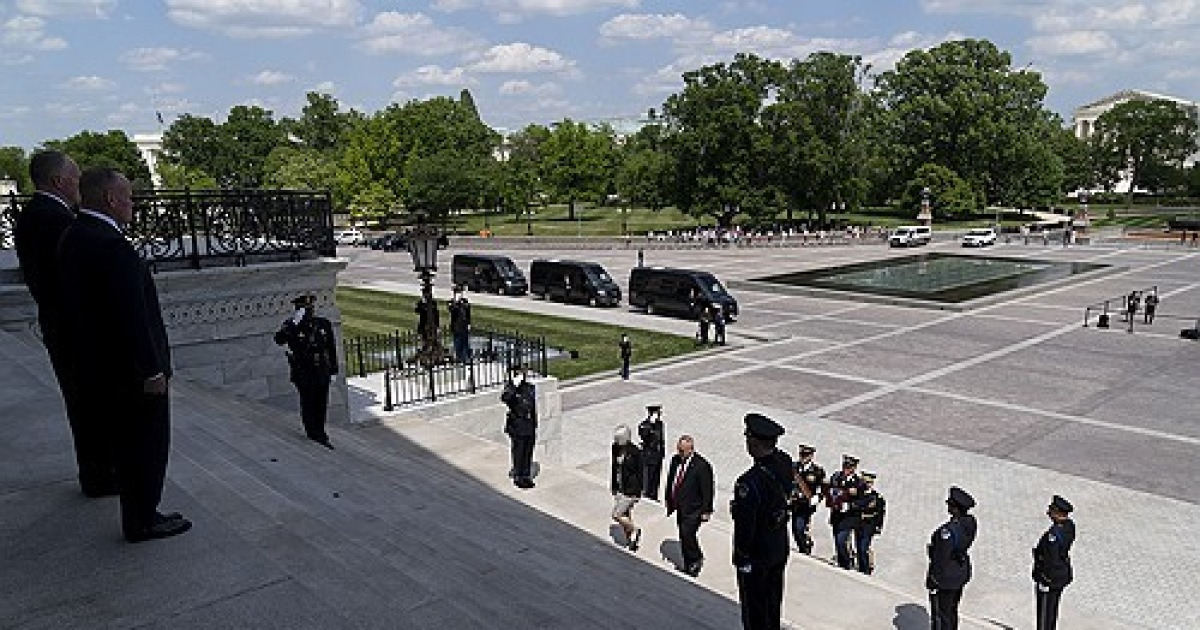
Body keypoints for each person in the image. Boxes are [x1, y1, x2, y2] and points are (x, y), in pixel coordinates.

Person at [58, 167, 190, 543]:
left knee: (129, 445)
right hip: (130, 372)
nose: (133, 204)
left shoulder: (74, 235)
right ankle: (144, 518)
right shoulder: (111, 245)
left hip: (101, 366)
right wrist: (152, 370)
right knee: (146, 445)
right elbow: (132, 315)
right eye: (129, 197)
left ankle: (140, 513)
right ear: (111, 199)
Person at [14, 150, 117, 497]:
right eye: (75, 177)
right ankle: (100, 475)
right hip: (77, 330)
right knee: (90, 403)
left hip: (61, 325)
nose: (79, 184)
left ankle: (98, 472)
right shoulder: (55, 220)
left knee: (83, 401)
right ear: (58, 181)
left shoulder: (34, 215)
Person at [731, 413, 793, 630]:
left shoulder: (749, 482)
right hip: (778, 546)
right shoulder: (784, 461)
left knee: (755, 612)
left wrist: (741, 556)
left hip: (757, 556)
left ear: (754, 443)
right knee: (772, 605)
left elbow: (745, 528)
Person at [274, 294, 339, 449]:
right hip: (304, 371)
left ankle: (321, 433)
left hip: (321, 369)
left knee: (321, 403)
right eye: (304, 309)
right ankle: (312, 432)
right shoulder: (291, 326)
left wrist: (333, 369)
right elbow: (279, 340)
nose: (309, 312)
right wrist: (293, 324)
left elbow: (331, 348)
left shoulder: (323, 324)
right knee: (308, 402)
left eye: (310, 308)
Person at [926, 486, 977, 630]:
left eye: (950, 504)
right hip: (960, 572)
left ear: (955, 508)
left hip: (946, 577)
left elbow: (941, 558)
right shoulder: (970, 522)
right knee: (952, 610)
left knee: (941, 615)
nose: (947, 505)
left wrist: (933, 579)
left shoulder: (947, 532)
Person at [665, 434, 714, 577]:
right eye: (678, 449)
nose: (679, 453)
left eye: (682, 451)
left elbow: (707, 490)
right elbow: (672, 479)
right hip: (680, 505)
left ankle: (695, 559)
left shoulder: (701, 466)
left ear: (691, 450)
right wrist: (669, 498)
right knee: (683, 533)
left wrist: (706, 510)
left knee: (687, 533)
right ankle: (688, 564)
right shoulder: (675, 460)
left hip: (694, 508)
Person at [1032, 495, 1076, 630]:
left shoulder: (1053, 536)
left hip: (1050, 579)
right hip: (1061, 575)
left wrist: (1045, 579)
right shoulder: (1069, 526)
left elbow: (1051, 560)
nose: (1048, 513)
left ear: (1058, 513)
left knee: (1045, 614)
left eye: (1051, 510)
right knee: (1051, 610)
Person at [826, 454, 865, 569]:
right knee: (837, 540)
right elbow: (829, 489)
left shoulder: (859, 483)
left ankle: (847, 563)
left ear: (854, 468)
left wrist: (850, 505)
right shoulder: (836, 477)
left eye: (849, 467)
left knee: (841, 539)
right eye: (845, 466)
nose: (846, 469)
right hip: (836, 514)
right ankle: (842, 562)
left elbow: (863, 501)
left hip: (849, 518)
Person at [501, 367, 537, 489]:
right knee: (519, 451)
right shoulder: (511, 389)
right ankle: (518, 476)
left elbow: (533, 407)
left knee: (528, 451)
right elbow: (505, 399)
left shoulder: (530, 387)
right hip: (517, 425)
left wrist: (534, 424)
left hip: (529, 424)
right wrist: (514, 386)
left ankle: (526, 475)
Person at [610, 425, 644, 550]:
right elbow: (614, 467)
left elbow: (640, 473)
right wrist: (613, 485)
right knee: (625, 514)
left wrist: (639, 491)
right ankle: (631, 540)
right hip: (619, 486)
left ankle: (635, 530)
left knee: (616, 514)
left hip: (630, 490)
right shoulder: (615, 448)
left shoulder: (635, 452)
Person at [789, 444, 826, 555]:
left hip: (805, 505)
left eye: (806, 455)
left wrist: (817, 498)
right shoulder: (793, 467)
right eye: (802, 454)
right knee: (794, 528)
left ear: (811, 456)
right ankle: (803, 546)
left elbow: (824, 488)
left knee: (799, 527)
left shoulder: (817, 471)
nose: (803, 457)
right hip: (792, 502)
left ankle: (805, 547)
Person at [853, 472, 886, 575]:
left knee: (864, 547)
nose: (866, 484)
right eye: (864, 482)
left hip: (869, 525)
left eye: (868, 482)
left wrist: (879, 527)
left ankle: (866, 569)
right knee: (858, 547)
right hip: (858, 524)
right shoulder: (858, 494)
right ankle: (861, 567)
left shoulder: (877, 497)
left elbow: (880, 513)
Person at [638, 405, 665, 500]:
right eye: (657, 413)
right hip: (649, 456)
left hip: (657, 456)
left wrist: (662, 452)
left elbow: (661, 439)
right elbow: (644, 436)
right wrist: (651, 425)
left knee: (656, 478)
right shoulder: (644, 425)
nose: (659, 414)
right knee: (648, 478)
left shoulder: (660, 424)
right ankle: (647, 495)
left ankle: (654, 495)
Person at [448, 285, 471, 363]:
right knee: (457, 342)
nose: (459, 294)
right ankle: (459, 357)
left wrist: (469, 323)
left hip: (464, 325)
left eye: (460, 293)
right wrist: (456, 302)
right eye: (457, 293)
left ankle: (466, 357)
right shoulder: (452, 302)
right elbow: (452, 310)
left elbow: (468, 313)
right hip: (456, 326)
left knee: (465, 342)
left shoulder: (465, 302)